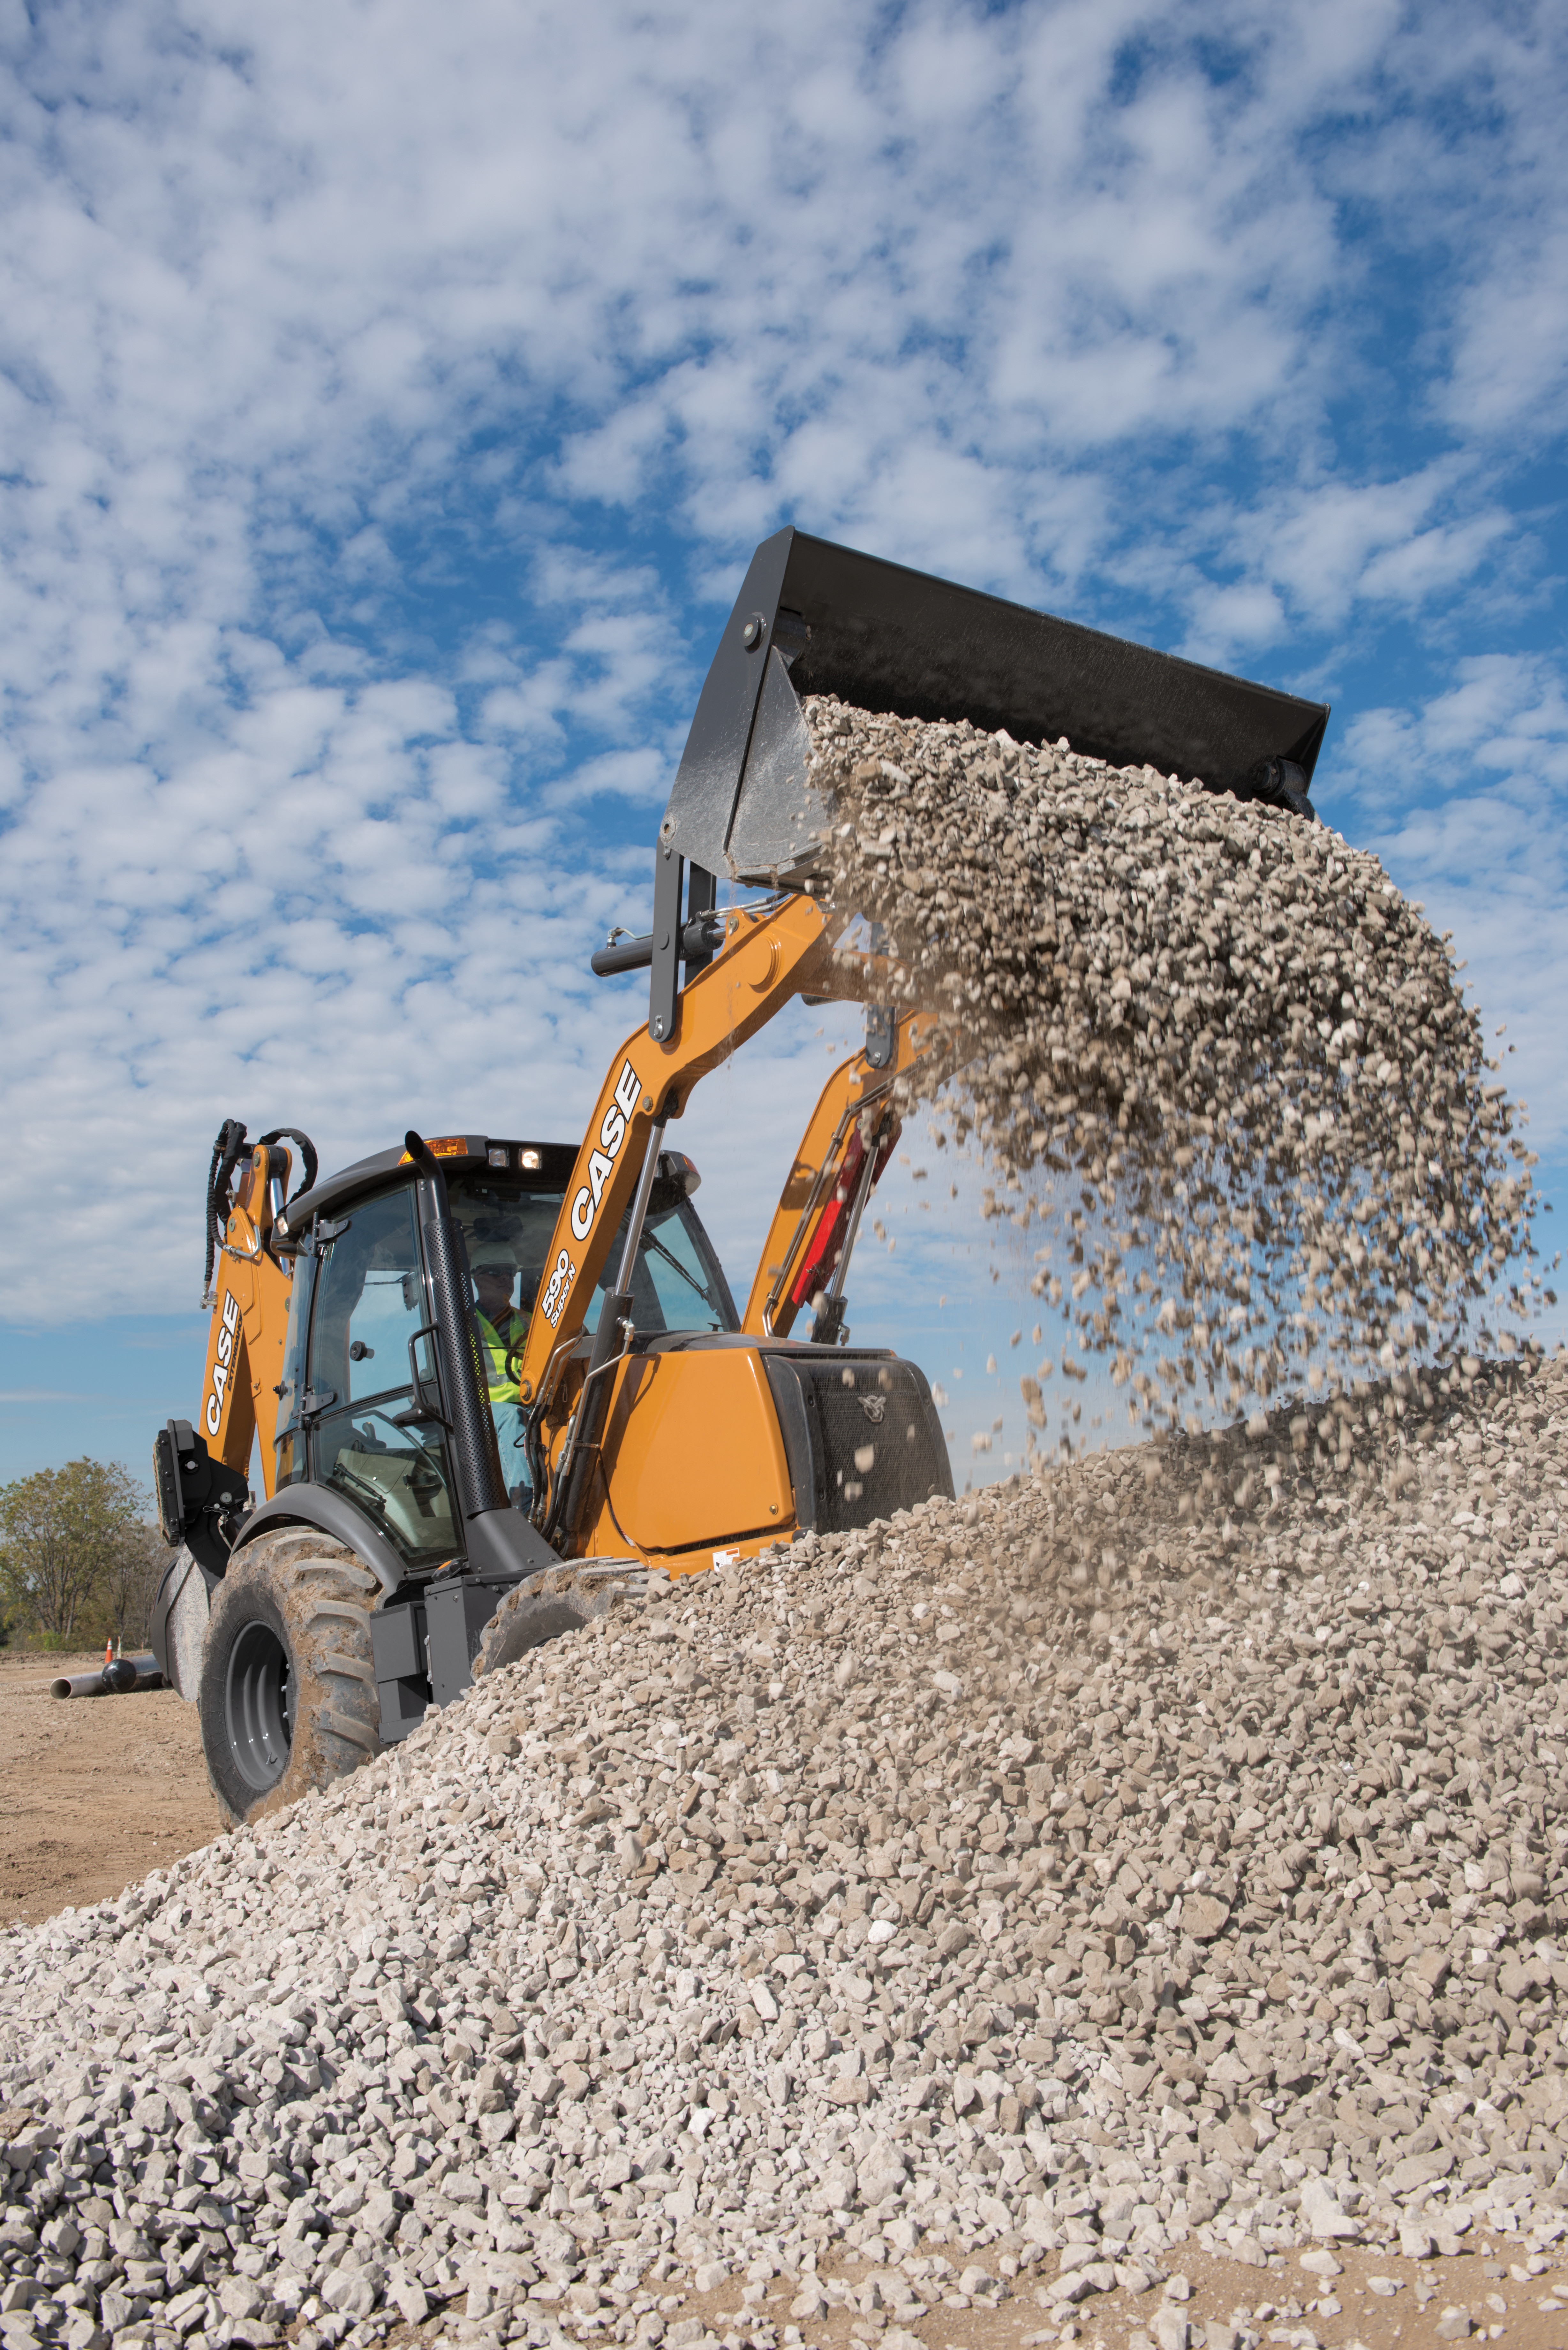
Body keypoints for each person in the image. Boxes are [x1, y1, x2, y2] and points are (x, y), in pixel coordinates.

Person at [470, 1242, 532, 1500]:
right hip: (485, 1410)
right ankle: (525, 1505)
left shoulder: (531, 1322)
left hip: (531, 1404)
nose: (506, 1278)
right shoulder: (461, 1326)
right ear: (476, 1278)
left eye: (510, 1272)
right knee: (511, 1417)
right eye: (496, 1272)